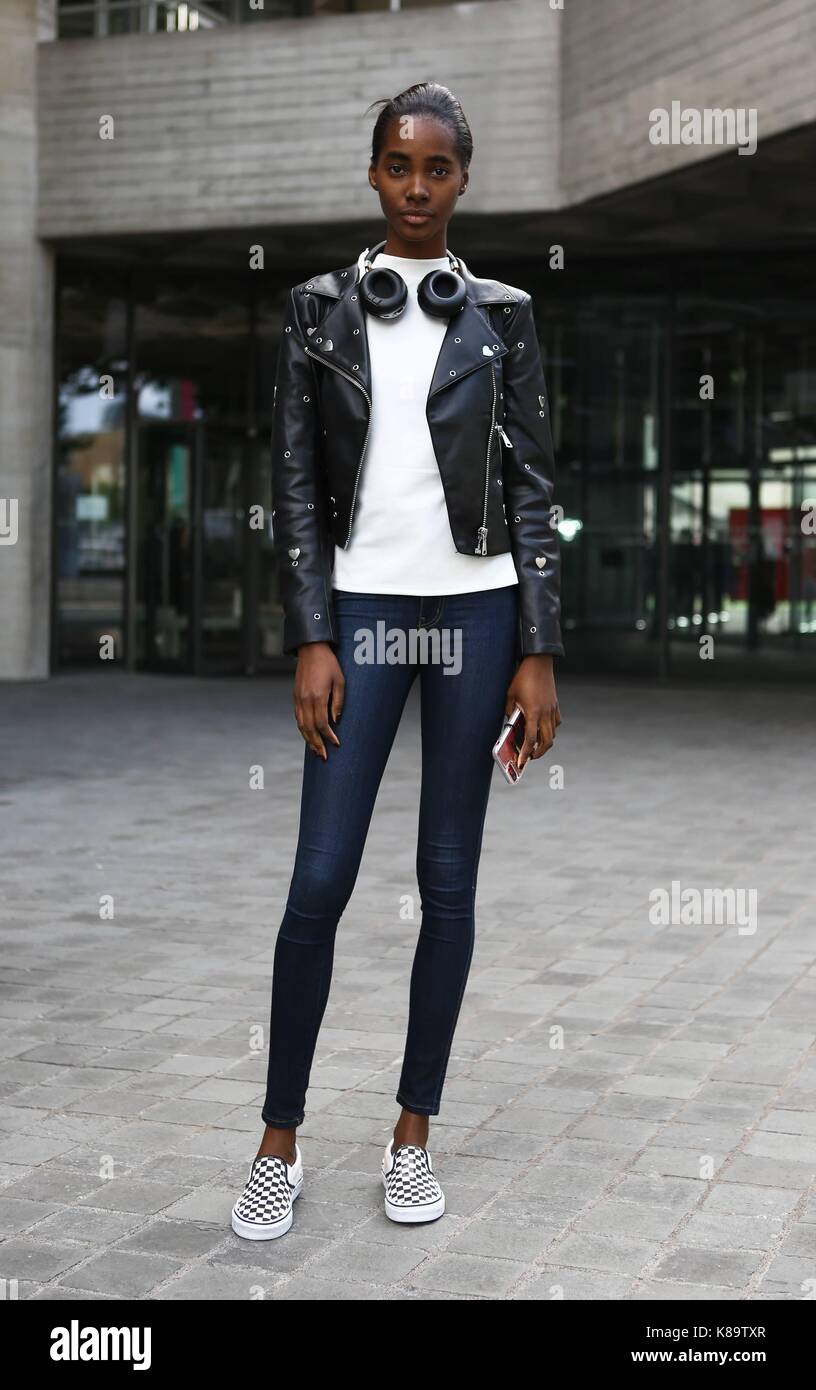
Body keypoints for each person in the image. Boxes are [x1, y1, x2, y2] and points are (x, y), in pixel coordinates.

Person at [231, 82, 564, 1241]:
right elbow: (290, 481)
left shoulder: (507, 315)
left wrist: (538, 649)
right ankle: (278, 1138)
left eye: (437, 168)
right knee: (320, 877)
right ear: (372, 175)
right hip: (364, 614)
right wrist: (313, 630)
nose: (416, 186)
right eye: (397, 165)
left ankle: (411, 1134)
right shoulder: (319, 309)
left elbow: (531, 486)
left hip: (476, 613)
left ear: (464, 180)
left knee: (449, 884)